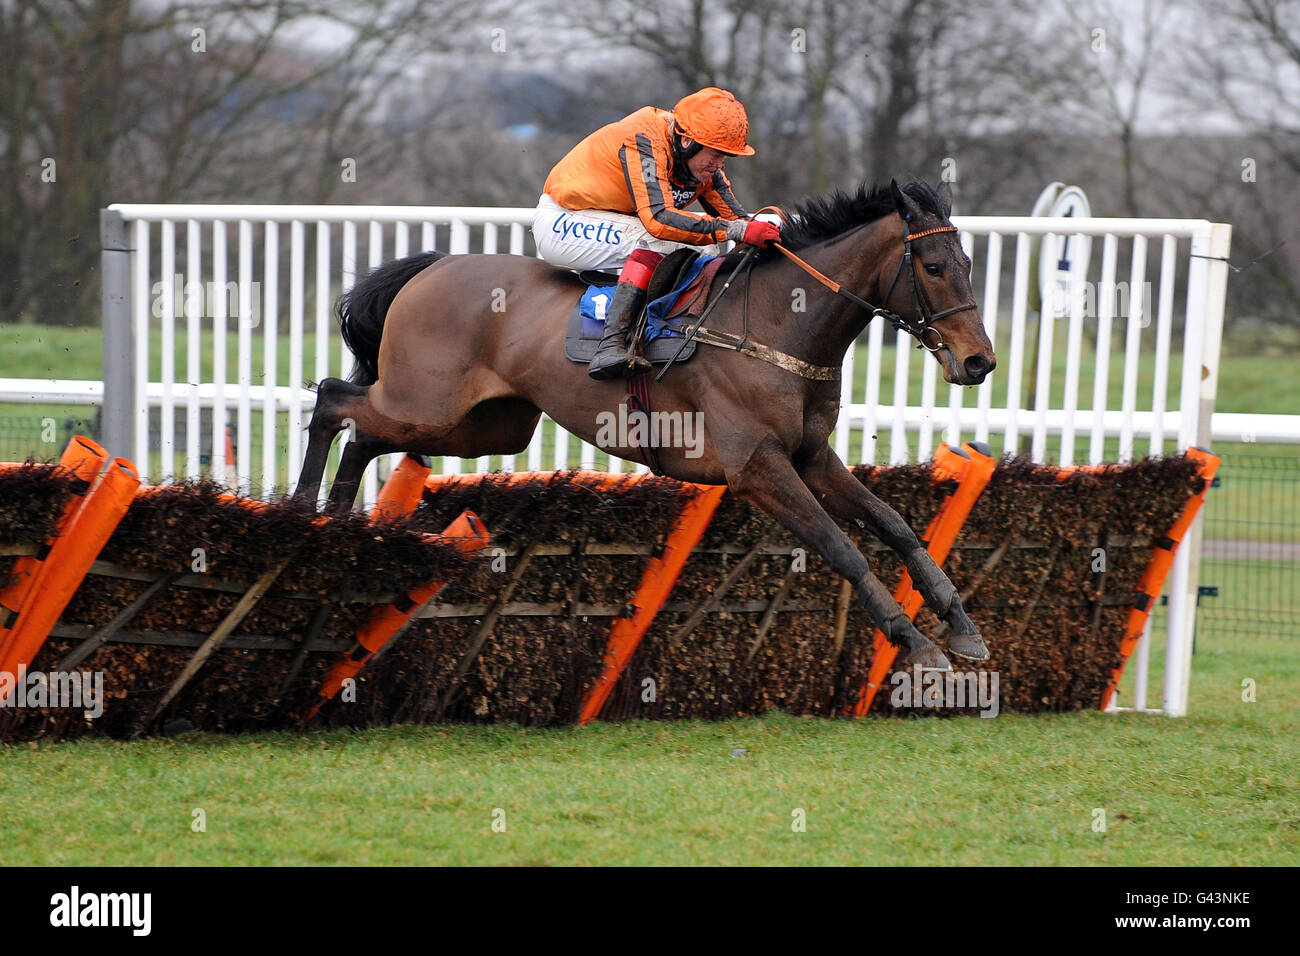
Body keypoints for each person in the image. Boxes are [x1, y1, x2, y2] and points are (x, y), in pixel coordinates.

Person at [533, 87, 781, 379]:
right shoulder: (645, 140)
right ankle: (611, 344)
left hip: (611, 219)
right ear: (687, 140)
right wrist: (735, 230)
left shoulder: (702, 164)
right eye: (715, 154)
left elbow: (734, 219)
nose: (719, 165)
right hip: (564, 220)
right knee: (658, 238)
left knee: (709, 248)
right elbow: (658, 220)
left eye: (725, 157)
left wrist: (769, 232)